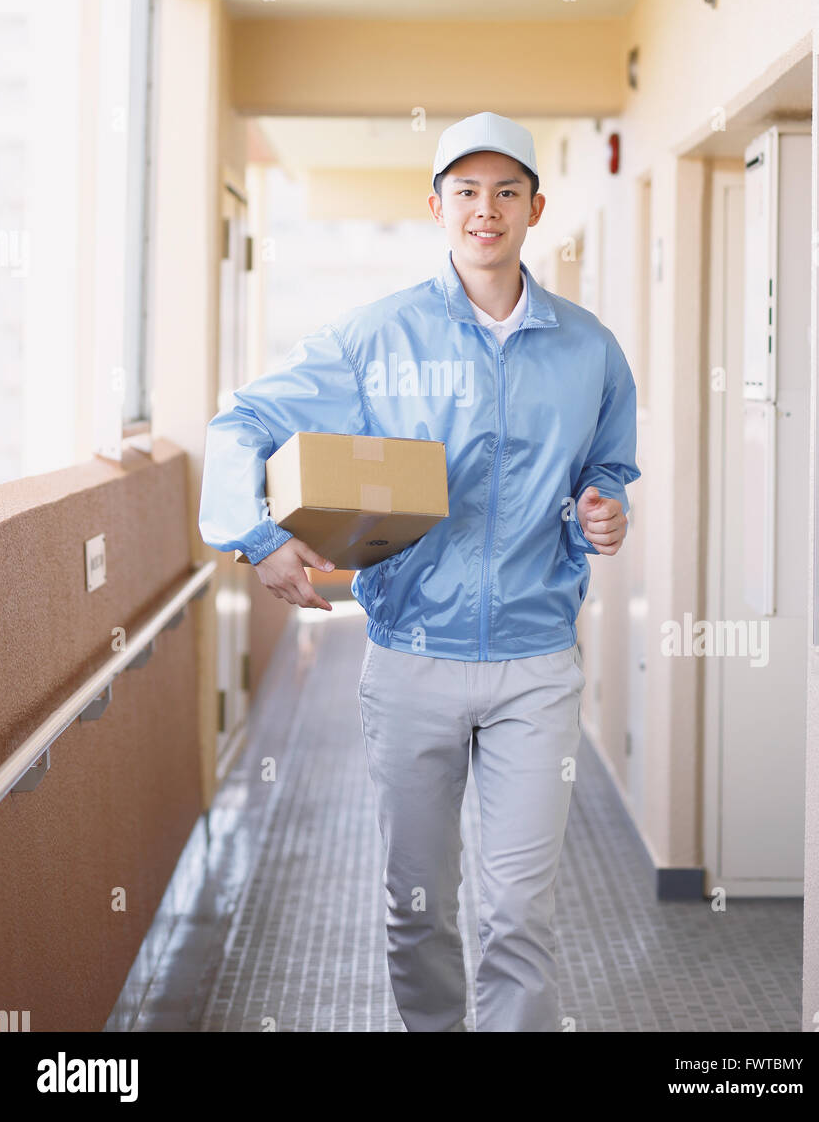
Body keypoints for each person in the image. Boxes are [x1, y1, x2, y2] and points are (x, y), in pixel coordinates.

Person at [198, 111, 640, 1033]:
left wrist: (603, 505)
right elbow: (241, 421)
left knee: (519, 912)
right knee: (419, 906)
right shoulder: (376, 337)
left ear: (534, 208)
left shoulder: (589, 348)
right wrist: (257, 535)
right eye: (467, 192)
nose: (487, 210)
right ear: (437, 208)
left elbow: (604, 469)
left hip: (535, 661)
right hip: (410, 657)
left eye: (507, 192)